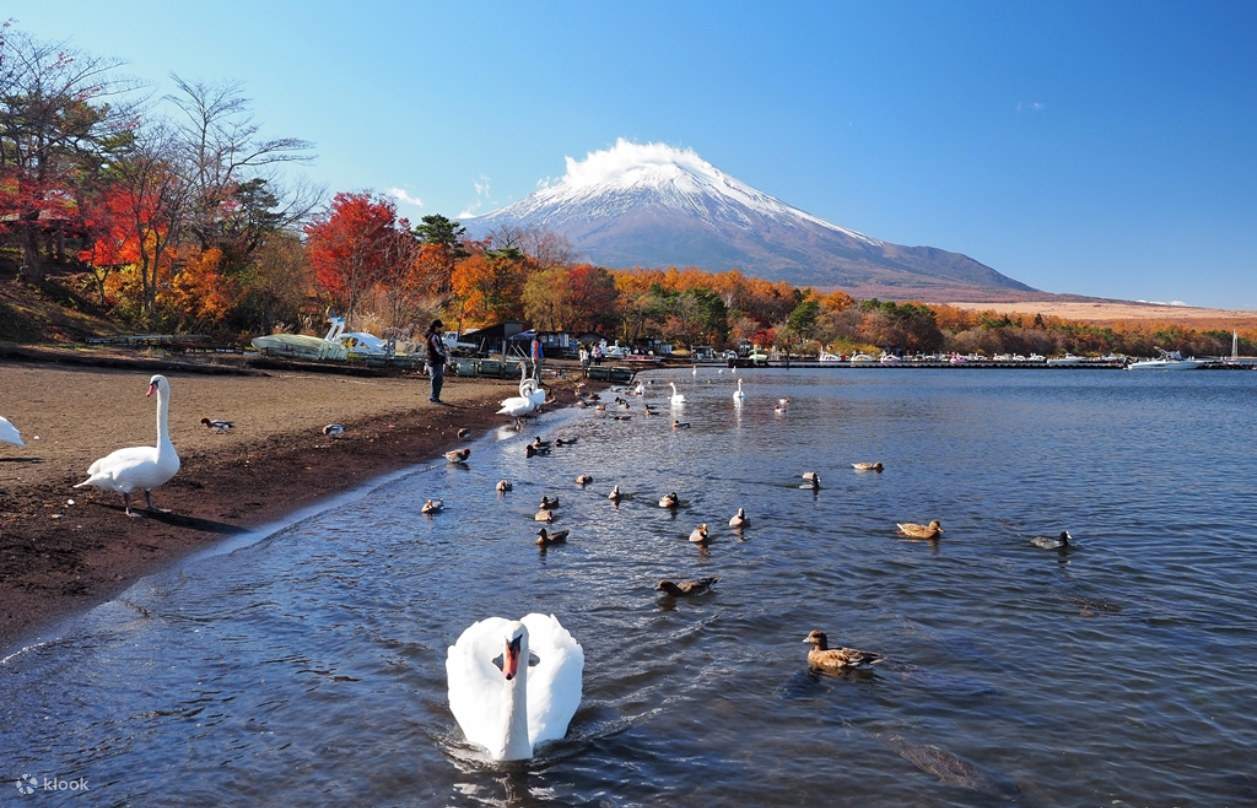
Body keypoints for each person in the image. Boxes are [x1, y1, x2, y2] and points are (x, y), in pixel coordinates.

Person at [425, 319, 448, 404]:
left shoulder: (435, 336)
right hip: (434, 361)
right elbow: (437, 349)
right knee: (436, 379)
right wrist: (444, 354)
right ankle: (434, 397)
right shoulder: (434, 336)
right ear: (436, 327)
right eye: (440, 327)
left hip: (436, 360)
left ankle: (435, 397)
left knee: (438, 379)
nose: (441, 329)